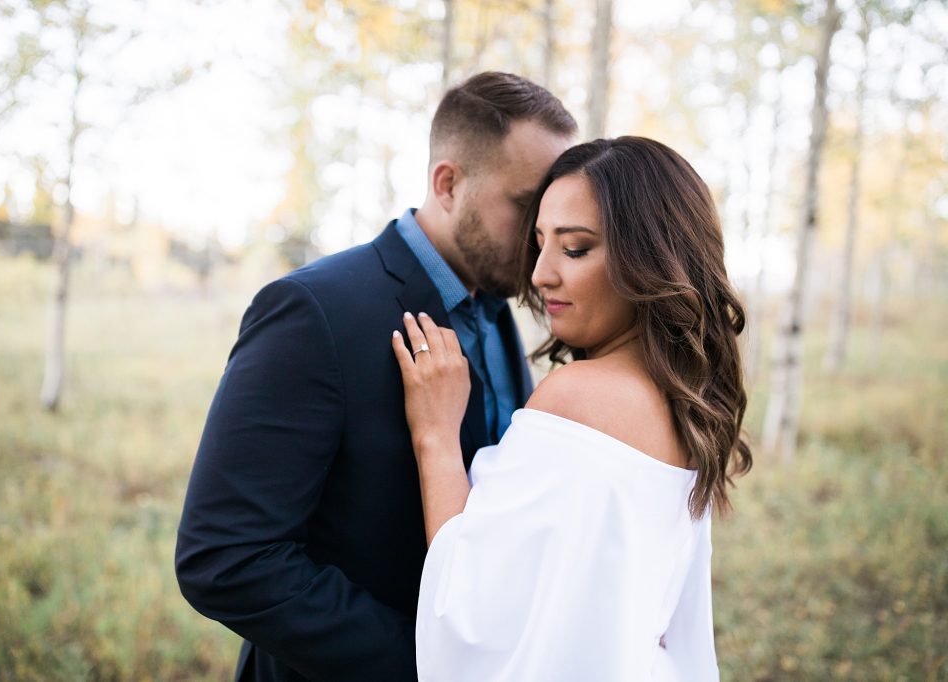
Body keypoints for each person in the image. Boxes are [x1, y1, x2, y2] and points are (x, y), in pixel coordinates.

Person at [174, 72, 576, 682]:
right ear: (447, 184)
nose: (539, 244)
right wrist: (422, 663)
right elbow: (227, 556)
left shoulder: (499, 316)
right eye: (525, 208)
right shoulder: (314, 311)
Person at [392, 137, 753, 681]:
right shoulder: (687, 401)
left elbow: (469, 618)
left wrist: (436, 436)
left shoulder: (577, 398)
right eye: (539, 243)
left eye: (576, 248)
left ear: (650, 259)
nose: (540, 274)